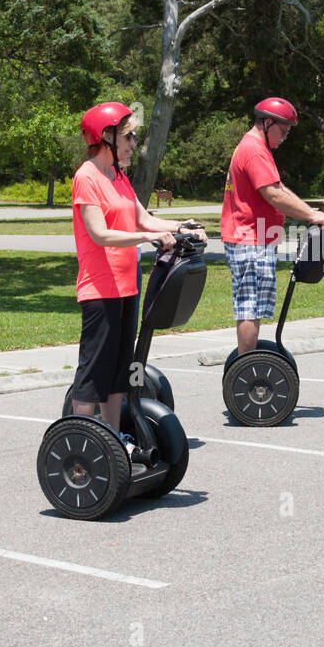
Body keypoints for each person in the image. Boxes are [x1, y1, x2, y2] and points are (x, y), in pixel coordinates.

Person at [69, 102, 205, 433]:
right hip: (100, 289)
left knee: (119, 372)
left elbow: (143, 218)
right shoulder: (86, 177)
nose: (133, 144)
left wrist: (179, 228)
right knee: (93, 373)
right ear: (106, 137)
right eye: (128, 137)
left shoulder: (118, 177)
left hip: (127, 285)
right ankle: (82, 445)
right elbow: (99, 233)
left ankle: (113, 440)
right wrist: (148, 237)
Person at [220, 97, 324, 355]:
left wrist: (310, 211)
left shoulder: (256, 148)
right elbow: (273, 195)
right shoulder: (255, 150)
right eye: (284, 130)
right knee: (250, 308)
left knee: (254, 307)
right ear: (268, 123)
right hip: (249, 239)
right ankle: (246, 369)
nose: (286, 136)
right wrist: (311, 216)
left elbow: (279, 188)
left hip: (253, 238)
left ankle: (246, 366)